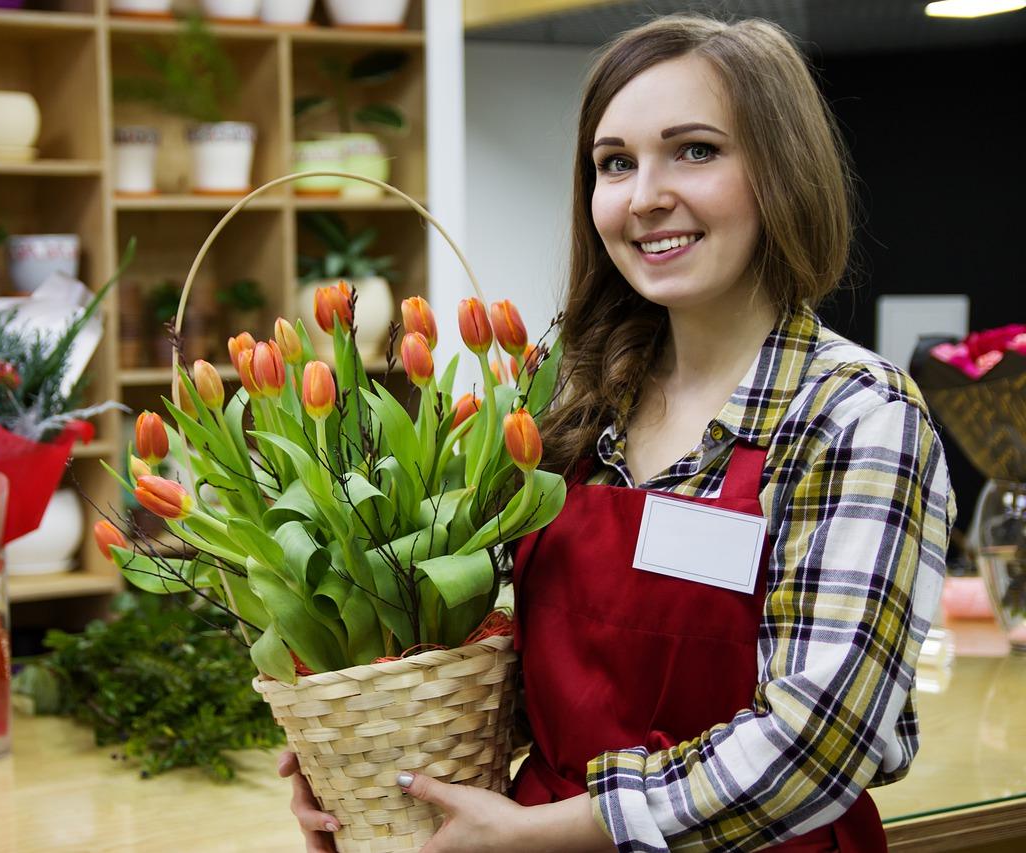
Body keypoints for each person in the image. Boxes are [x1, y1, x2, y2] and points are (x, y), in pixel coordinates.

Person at [281, 14, 953, 852]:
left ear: (781, 170)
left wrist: (548, 834)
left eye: (696, 150)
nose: (644, 197)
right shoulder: (575, 407)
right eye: (615, 163)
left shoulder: (852, 414)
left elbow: (816, 744)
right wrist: (367, 753)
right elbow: (518, 672)